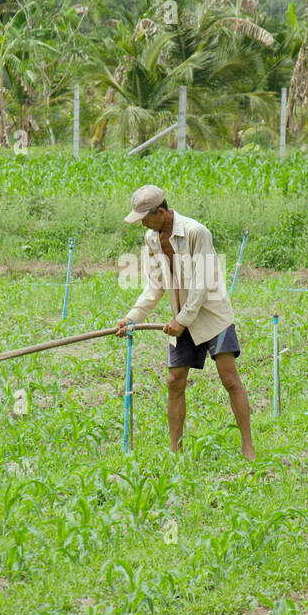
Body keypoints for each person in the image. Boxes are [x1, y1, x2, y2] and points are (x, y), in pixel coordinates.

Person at [113, 185, 255, 461]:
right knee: (174, 381)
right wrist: (131, 318)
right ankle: (175, 452)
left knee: (229, 379)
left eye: (145, 216)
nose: (142, 222)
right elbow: (155, 286)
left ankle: (247, 446)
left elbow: (202, 284)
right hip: (181, 316)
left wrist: (181, 320)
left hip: (213, 315)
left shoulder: (196, 232)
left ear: (162, 212)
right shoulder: (151, 238)